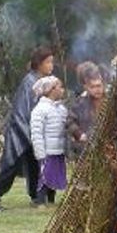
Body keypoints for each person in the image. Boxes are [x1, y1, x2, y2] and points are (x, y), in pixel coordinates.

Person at [0, 47, 55, 207]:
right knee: (12, 163)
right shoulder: (29, 82)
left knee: (36, 164)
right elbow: (22, 109)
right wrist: (29, 133)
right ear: (39, 64)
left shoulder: (46, 82)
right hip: (21, 129)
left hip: (36, 130)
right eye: (48, 62)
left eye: (52, 62)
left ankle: (36, 195)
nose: (51, 65)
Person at [29, 75, 70, 205]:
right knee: (45, 176)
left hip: (58, 150)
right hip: (47, 151)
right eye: (60, 87)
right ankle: (40, 201)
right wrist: (40, 152)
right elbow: (36, 132)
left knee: (55, 175)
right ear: (51, 90)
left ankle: (51, 200)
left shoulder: (61, 109)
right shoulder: (40, 110)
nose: (63, 90)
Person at [67, 62, 105, 161]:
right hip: (86, 151)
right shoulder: (79, 104)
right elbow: (70, 121)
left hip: (108, 149)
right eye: (93, 87)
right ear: (85, 87)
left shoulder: (110, 100)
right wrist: (79, 134)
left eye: (99, 86)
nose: (97, 90)